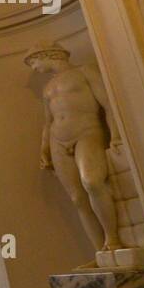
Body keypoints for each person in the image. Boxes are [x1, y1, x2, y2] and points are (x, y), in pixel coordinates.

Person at [25, 41, 119, 252]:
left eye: (34, 61)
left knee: (93, 182)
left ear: (49, 54)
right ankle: (99, 252)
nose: (34, 68)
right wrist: (44, 148)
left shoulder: (85, 71)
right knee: (77, 198)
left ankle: (112, 240)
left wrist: (115, 135)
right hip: (57, 140)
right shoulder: (47, 88)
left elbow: (107, 104)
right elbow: (48, 121)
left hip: (87, 132)